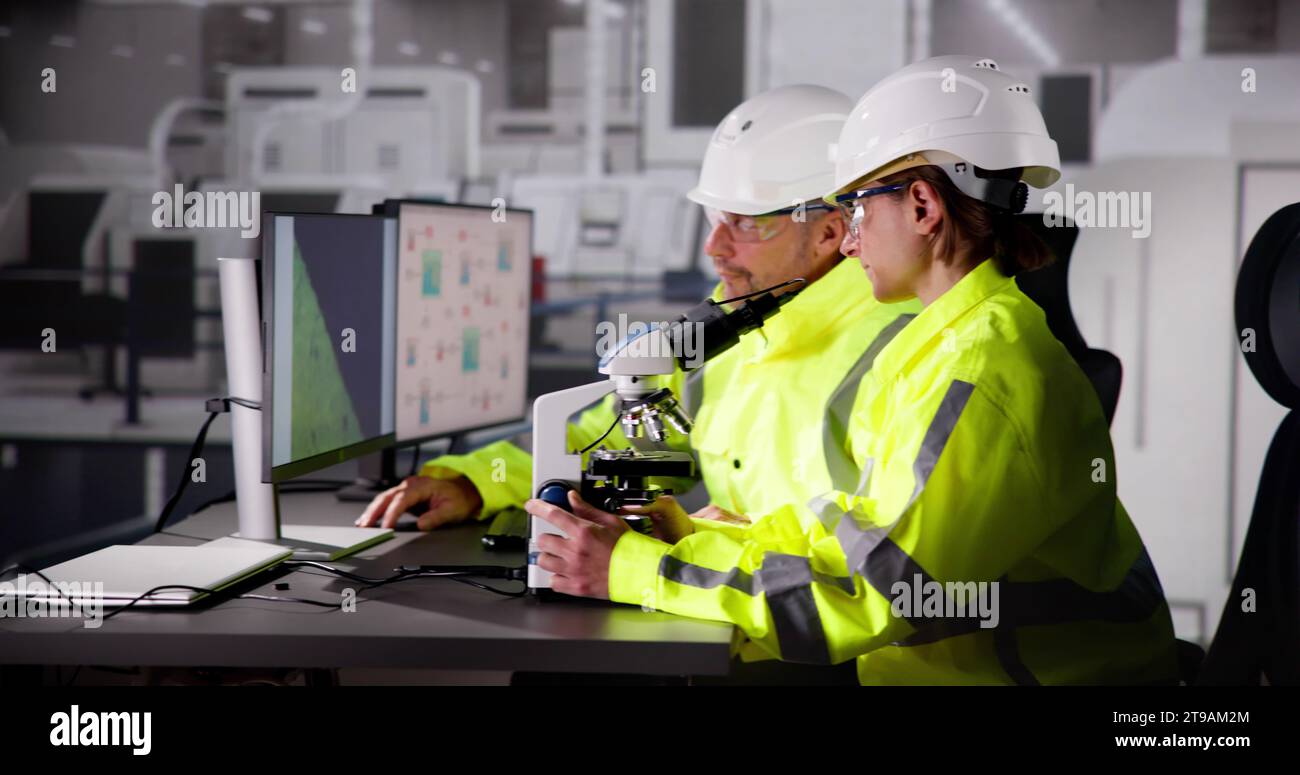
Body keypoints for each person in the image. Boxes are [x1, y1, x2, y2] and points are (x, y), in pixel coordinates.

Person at [524, 56, 1179, 685]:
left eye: (860, 208)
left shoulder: (980, 371)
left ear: (923, 207)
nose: (852, 237)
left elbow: (873, 592)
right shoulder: (940, 340)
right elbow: (858, 531)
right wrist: (694, 538)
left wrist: (634, 570)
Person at [357, 85, 920, 539]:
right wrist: (476, 482)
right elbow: (610, 436)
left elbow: (887, 551)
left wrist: (724, 544)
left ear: (830, 229)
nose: (715, 247)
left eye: (747, 223)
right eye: (715, 219)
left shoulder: (902, 349)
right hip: (728, 610)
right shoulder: (732, 331)